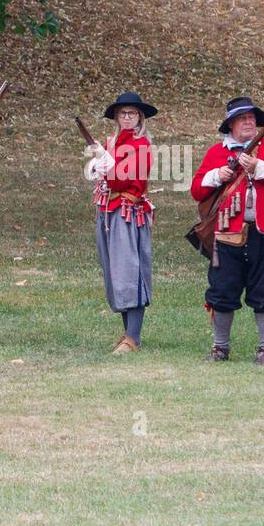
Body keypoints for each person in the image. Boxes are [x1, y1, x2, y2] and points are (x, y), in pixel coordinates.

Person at [190, 96, 264, 365]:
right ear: (231, 125)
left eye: (251, 117)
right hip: (225, 233)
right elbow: (197, 190)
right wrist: (218, 175)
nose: (249, 121)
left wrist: (261, 168)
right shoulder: (217, 153)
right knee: (222, 290)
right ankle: (220, 347)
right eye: (242, 118)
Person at [86, 91, 156, 354]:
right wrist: (98, 163)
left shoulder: (142, 146)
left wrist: (106, 165)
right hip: (108, 211)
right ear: (116, 116)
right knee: (115, 272)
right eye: (123, 113)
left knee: (130, 271)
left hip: (128, 212)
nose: (127, 117)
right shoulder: (110, 143)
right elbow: (98, 175)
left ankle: (133, 337)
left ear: (140, 118)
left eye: (133, 113)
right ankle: (128, 334)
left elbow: (124, 179)